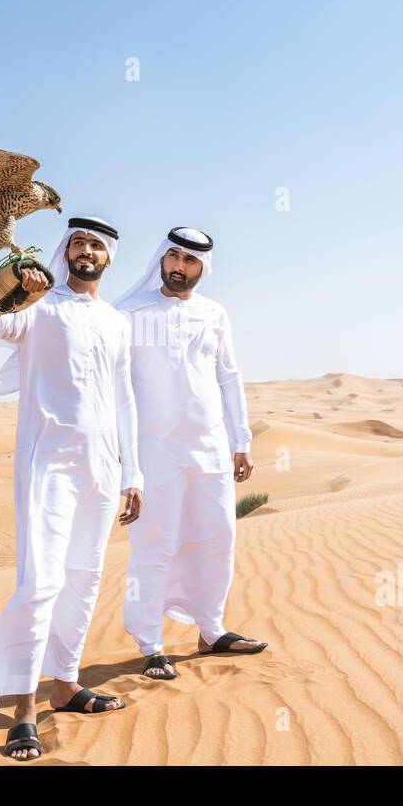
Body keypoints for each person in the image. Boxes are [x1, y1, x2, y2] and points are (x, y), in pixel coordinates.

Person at [0, 216, 144, 761]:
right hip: (47, 464)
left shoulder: (116, 321)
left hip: (101, 467)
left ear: (108, 257)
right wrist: (5, 295)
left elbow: (124, 399)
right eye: (76, 242)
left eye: (94, 245)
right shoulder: (38, 305)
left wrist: (132, 471)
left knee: (84, 577)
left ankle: (65, 684)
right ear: (65, 251)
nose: (85, 250)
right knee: (41, 579)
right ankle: (23, 708)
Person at [113, 227, 267, 683]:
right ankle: (150, 643)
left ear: (204, 268)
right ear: (161, 259)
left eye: (190, 261)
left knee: (217, 538)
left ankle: (211, 630)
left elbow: (228, 376)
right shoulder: (128, 313)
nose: (180, 266)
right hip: (152, 450)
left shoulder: (214, 314)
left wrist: (242, 440)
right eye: (174, 257)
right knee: (154, 546)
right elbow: (113, 388)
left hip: (211, 446)